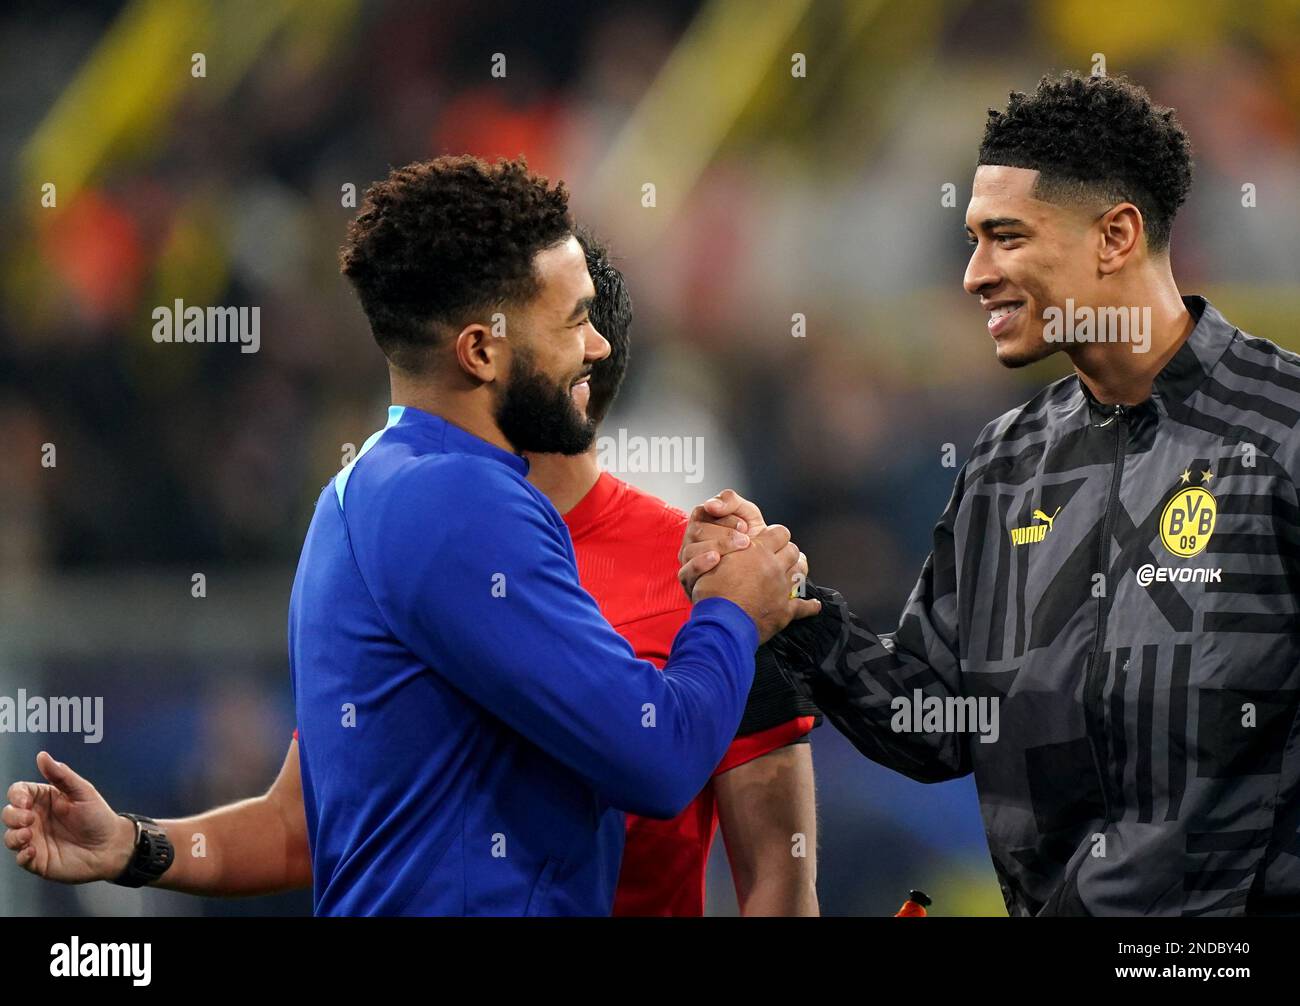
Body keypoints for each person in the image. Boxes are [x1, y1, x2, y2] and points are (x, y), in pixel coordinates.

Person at [4, 156, 818, 916]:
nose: (599, 347)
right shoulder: (471, 507)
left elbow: (304, 822)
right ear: (481, 349)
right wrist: (733, 612)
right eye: (573, 322)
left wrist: (135, 845)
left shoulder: (352, 501)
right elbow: (659, 760)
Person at [681, 73, 1300, 917]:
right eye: (973, 241)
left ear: (1115, 235)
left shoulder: (1283, 434)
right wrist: (785, 604)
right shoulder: (1010, 462)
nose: (975, 275)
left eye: (1005, 238)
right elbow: (939, 723)